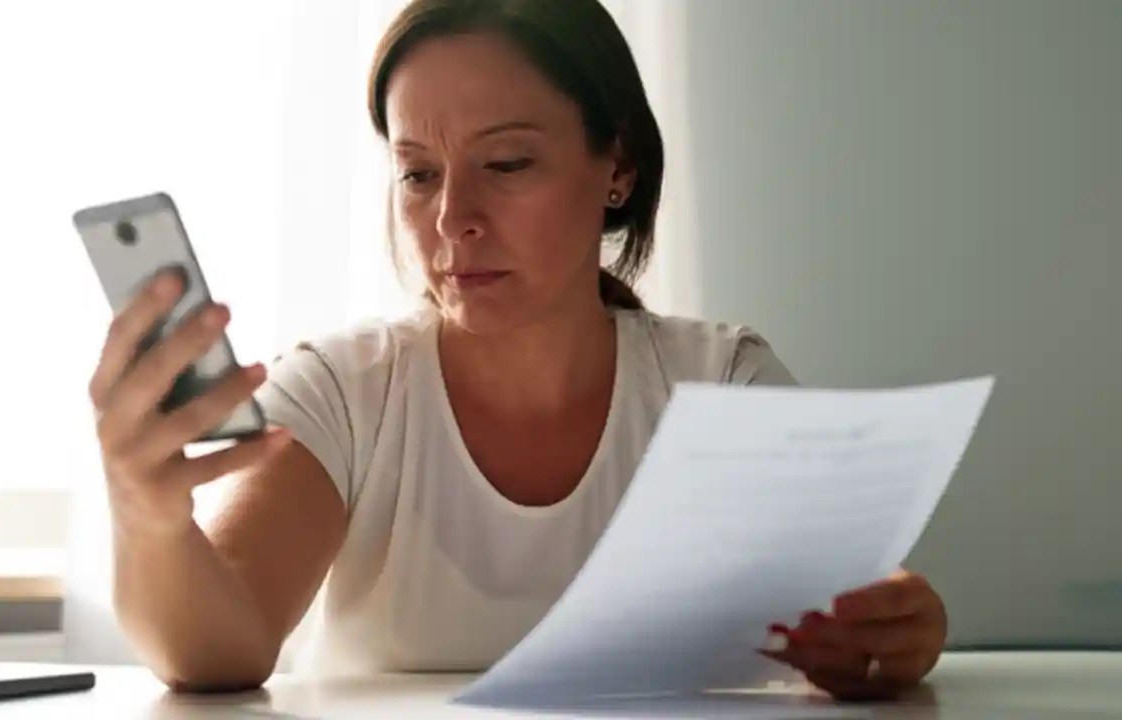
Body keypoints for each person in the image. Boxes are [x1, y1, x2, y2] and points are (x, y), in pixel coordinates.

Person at [88, 0, 947, 702]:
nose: (454, 217)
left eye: (506, 162)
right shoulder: (343, 392)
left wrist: (899, 627)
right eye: (418, 172)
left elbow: (871, 602)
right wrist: (147, 516)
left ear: (617, 166)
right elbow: (222, 649)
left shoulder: (720, 382)